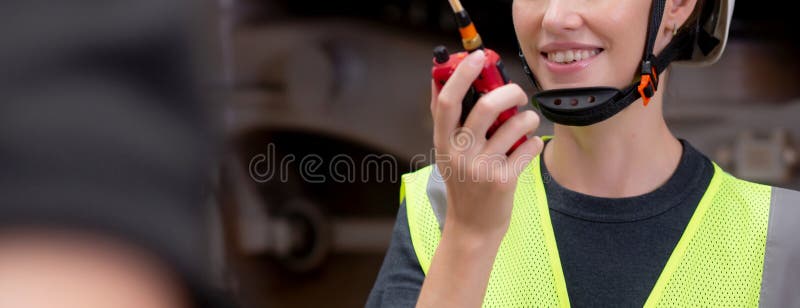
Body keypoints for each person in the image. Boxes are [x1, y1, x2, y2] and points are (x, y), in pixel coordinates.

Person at [367, 0, 800, 306]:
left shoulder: (788, 241)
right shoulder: (439, 211)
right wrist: (469, 239)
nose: (555, 17)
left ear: (678, 4)